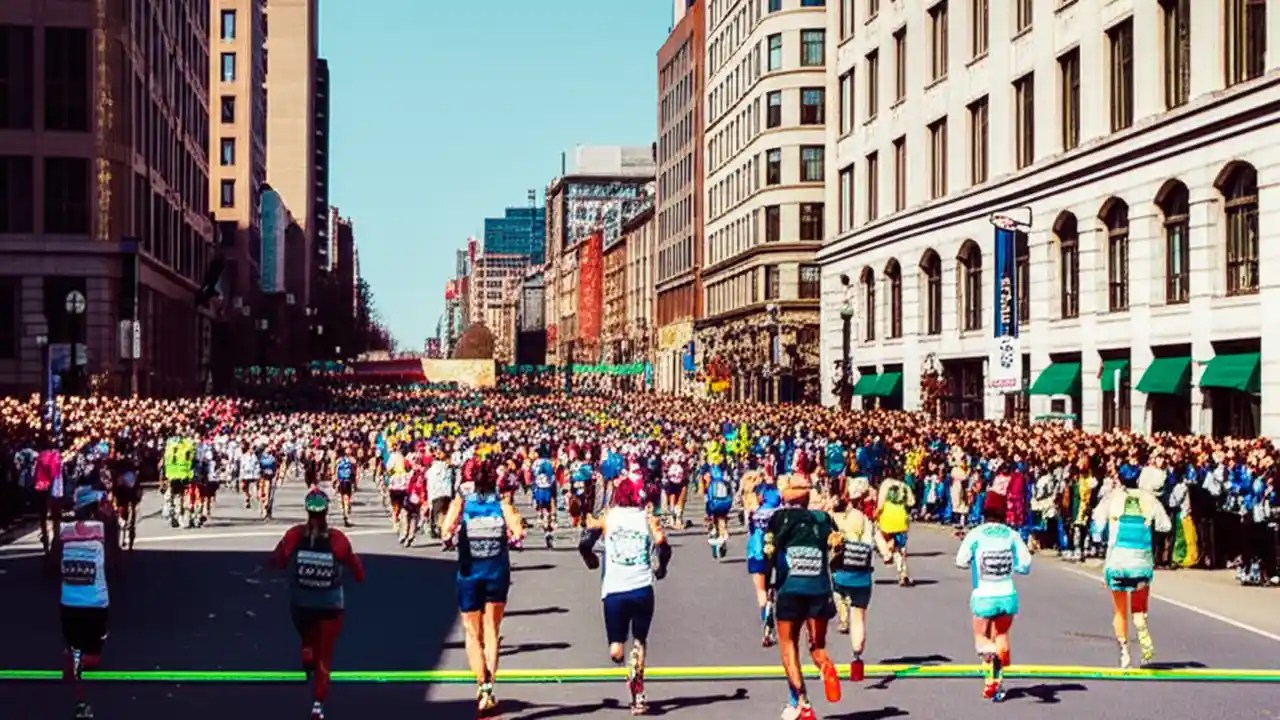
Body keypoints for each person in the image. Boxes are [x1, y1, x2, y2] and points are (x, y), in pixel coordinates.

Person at [579, 474, 673, 715]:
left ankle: (625, 663)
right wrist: (661, 569)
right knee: (640, 641)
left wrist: (590, 560)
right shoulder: (646, 518)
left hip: (615, 590)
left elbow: (585, 541)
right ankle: (638, 693)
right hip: (642, 587)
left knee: (615, 650)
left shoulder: (609, 517)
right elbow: (663, 544)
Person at [269, 489, 366, 720]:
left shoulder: (295, 535)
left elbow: (277, 560)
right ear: (326, 510)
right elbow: (356, 567)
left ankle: (306, 650)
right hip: (330, 605)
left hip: (301, 602)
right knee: (326, 655)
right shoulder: (337, 540)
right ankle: (318, 704)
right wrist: (357, 575)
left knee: (307, 635)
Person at [441, 458, 526, 714]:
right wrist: (509, 537)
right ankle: (489, 687)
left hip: (469, 572)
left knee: (471, 631)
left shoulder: (463, 501)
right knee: (492, 629)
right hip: (496, 571)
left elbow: (445, 529)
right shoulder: (502, 503)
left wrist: (452, 536)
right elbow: (519, 531)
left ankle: (482, 682)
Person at [764, 474, 843, 720]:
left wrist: (768, 584)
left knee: (788, 645)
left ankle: (803, 703)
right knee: (817, 646)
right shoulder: (823, 519)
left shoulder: (779, 518)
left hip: (790, 587)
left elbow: (768, 551)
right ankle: (826, 667)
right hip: (819, 587)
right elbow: (837, 551)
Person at [954, 492, 1032, 701]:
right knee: (1001, 636)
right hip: (1007, 593)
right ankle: (994, 683)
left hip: (984, 593)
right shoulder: (1012, 534)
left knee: (982, 640)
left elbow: (960, 561)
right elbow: (1025, 564)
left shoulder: (976, 534)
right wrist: (1010, 564)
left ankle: (992, 671)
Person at [1094, 465, 1173, 669]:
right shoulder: (1150, 499)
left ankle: (1124, 651)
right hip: (1142, 560)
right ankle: (1142, 632)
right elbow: (1165, 525)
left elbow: (1097, 523)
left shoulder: (1112, 498)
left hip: (1117, 561)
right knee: (1139, 607)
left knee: (1119, 610)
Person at [55, 484, 120, 720]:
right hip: (95, 602)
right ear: (96, 507)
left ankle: (77, 682)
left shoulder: (65, 530)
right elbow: (114, 559)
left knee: (75, 650)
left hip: (69, 601)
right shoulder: (104, 528)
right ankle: (78, 664)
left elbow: (54, 562)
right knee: (93, 656)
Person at [829, 477, 891, 682]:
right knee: (860, 618)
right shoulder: (864, 519)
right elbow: (879, 542)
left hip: (840, 570)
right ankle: (856, 655)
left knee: (838, 591)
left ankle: (841, 613)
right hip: (862, 574)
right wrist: (887, 555)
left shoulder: (831, 518)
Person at [875, 475, 914, 586]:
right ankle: (903, 573)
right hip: (901, 517)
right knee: (900, 547)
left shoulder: (886, 484)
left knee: (879, 535)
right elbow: (911, 502)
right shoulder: (905, 486)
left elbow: (880, 503)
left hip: (887, 516)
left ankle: (886, 554)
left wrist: (876, 514)